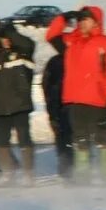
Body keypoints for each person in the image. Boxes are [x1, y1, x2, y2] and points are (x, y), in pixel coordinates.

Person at [46, 7, 106, 184]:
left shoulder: (105, 43)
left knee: (102, 139)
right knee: (79, 139)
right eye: (80, 20)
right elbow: (51, 36)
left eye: (86, 19)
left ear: (96, 21)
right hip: (74, 99)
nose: (82, 23)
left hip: (98, 99)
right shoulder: (71, 41)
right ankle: (83, 179)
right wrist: (63, 18)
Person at [0, 24, 37, 183]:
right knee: (1, 141)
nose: (6, 41)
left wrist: (8, 31)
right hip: (0, 106)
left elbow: (29, 43)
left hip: (20, 104)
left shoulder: (23, 53)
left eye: (9, 38)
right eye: (3, 39)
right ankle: (7, 173)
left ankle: (28, 174)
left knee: (24, 139)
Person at [42, 38, 74, 178]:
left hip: (66, 103)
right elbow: (45, 83)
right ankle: (66, 166)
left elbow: (45, 83)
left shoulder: (71, 60)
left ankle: (68, 166)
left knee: (68, 136)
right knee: (63, 136)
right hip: (57, 103)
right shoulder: (54, 61)